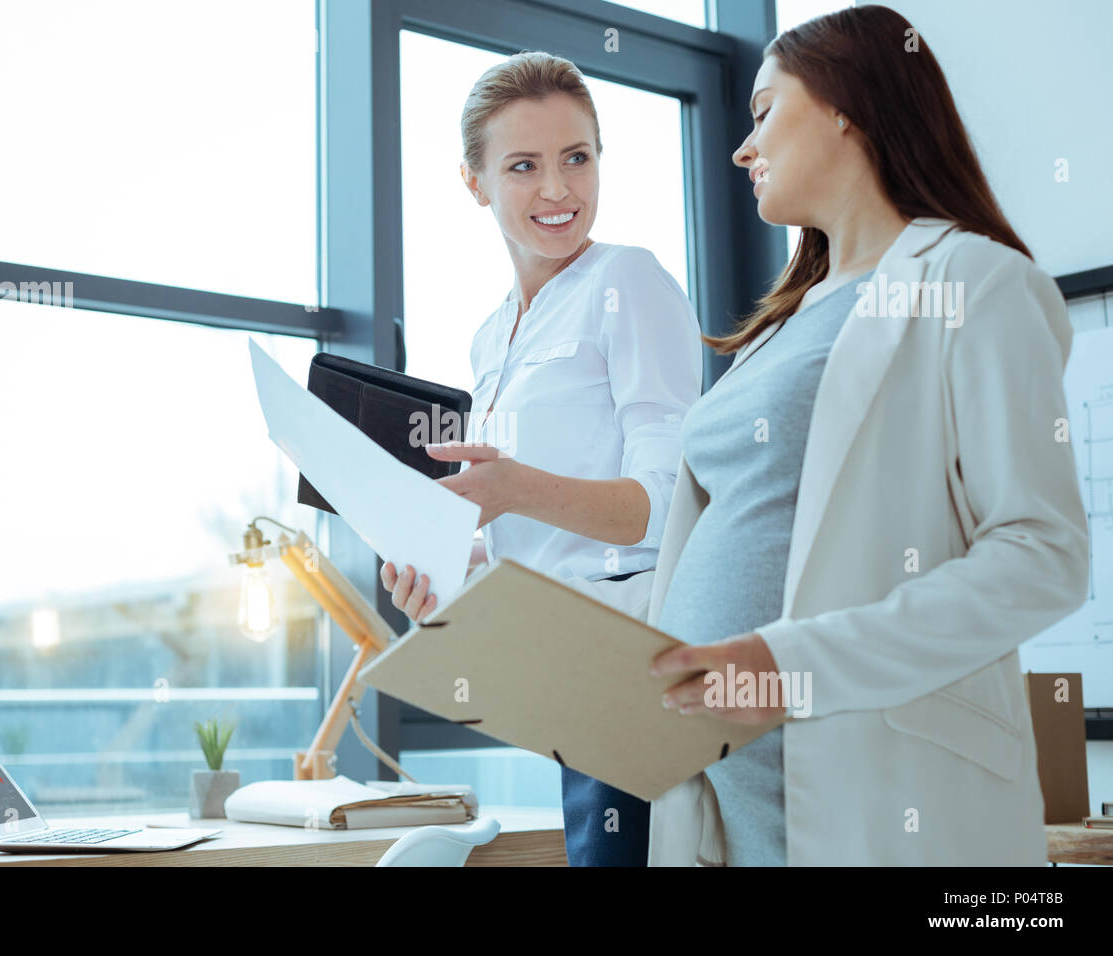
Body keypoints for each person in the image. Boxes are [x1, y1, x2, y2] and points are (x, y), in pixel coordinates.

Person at [645, 5, 1088, 865]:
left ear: (847, 104)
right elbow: (726, 548)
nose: (741, 149)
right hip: (725, 808)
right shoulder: (779, 328)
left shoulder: (975, 281)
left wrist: (792, 662)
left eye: (764, 110)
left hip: (885, 802)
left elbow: (1043, 556)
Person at [380, 51, 702, 867]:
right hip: (555, 659)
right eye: (523, 166)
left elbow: (667, 504)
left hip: (633, 654)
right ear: (475, 182)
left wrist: (513, 489)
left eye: (577, 158)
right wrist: (451, 571)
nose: (558, 190)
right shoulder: (492, 335)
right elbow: (530, 536)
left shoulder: (629, 281)